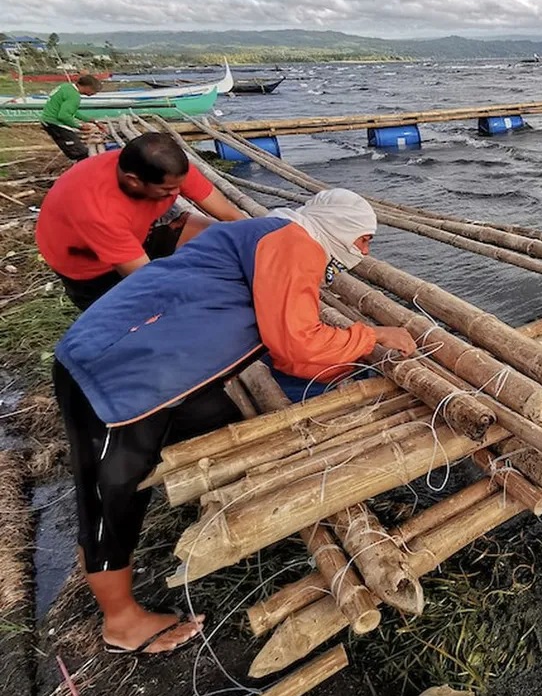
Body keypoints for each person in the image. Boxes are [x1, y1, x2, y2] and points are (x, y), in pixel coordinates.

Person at [53, 188, 417, 655]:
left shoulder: (268, 232)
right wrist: (369, 337)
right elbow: (298, 345)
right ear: (338, 227)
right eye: (363, 240)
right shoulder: (295, 243)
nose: (363, 252)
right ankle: (121, 623)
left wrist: (340, 366)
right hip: (118, 374)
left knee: (193, 427)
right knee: (111, 493)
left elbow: (289, 347)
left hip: (131, 356)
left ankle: (131, 555)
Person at [36, 132, 245, 310]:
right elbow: (150, 280)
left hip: (142, 231)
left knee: (219, 236)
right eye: (167, 190)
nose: (177, 192)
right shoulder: (99, 209)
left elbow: (231, 216)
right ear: (133, 181)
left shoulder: (168, 169)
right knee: (149, 314)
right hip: (91, 267)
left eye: (179, 186)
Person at [40, 74, 103, 160]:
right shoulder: (74, 96)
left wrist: (91, 120)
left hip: (47, 120)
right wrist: (79, 126)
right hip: (55, 123)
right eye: (94, 91)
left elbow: (70, 111)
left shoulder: (66, 87)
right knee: (80, 153)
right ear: (88, 87)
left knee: (75, 150)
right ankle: (81, 171)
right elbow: (63, 116)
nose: (94, 94)